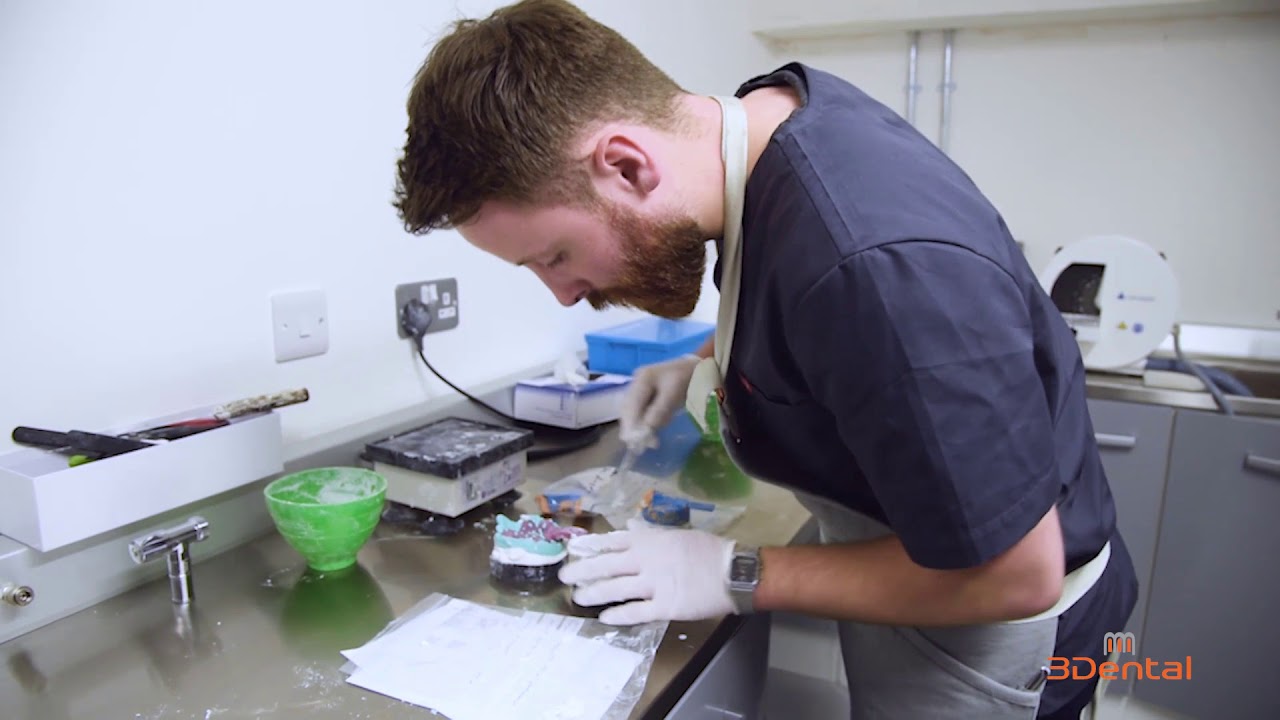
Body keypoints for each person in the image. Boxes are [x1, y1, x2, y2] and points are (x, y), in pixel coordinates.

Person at [392, 1, 1138, 718]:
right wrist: (703, 358)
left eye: (554, 255)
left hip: (1004, 626)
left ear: (626, 165)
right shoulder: (760, 133)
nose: (562, 294)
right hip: (925, 569)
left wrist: (733, 571)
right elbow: (795, 297)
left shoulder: (874, 266)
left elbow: (1015, 573)